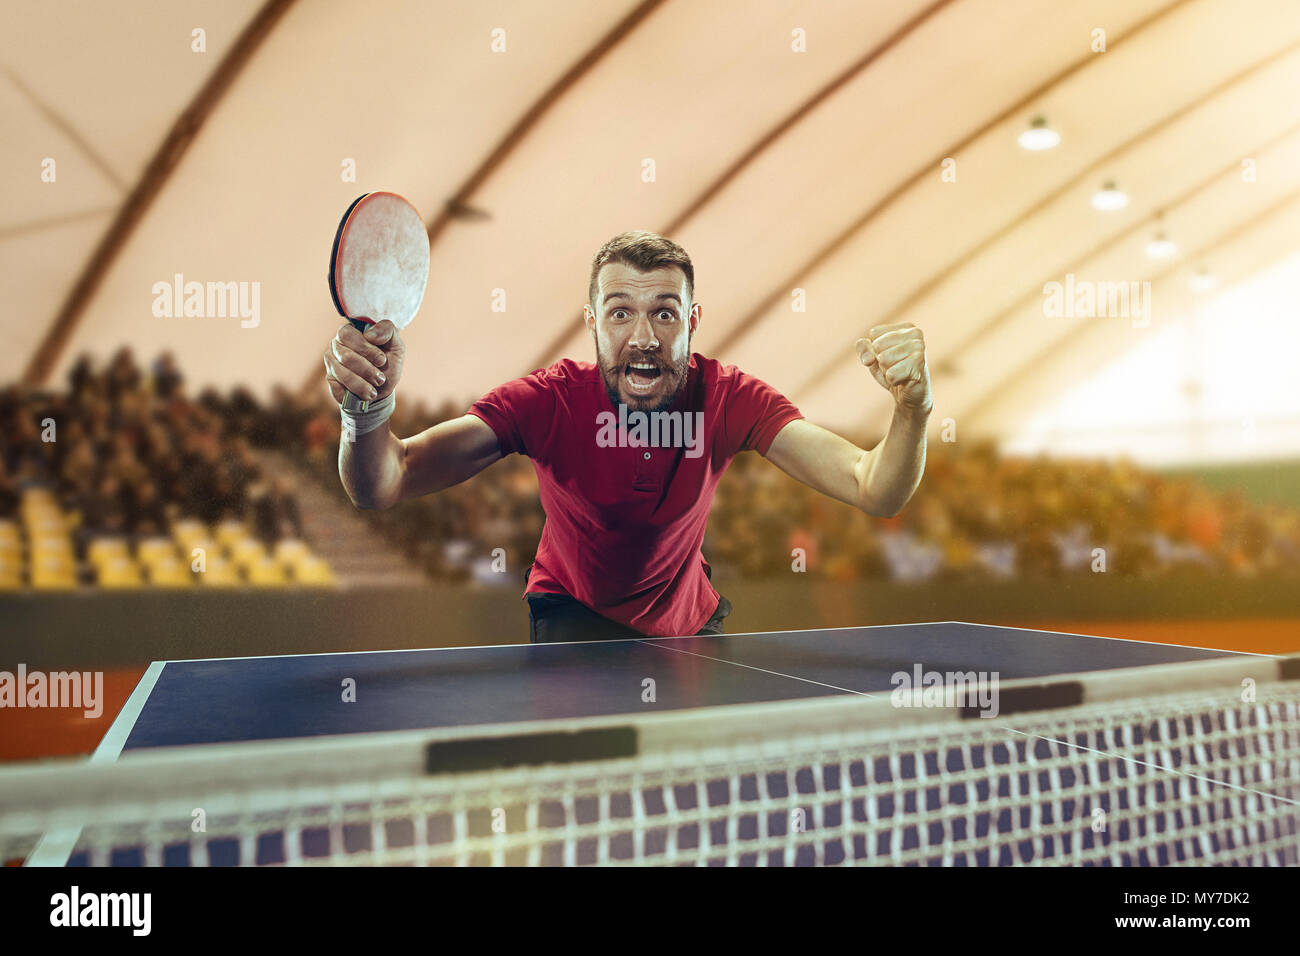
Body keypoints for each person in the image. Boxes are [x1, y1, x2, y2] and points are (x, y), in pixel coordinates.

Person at [323, 231, 932, 642]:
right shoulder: (549, 401)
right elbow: (386, 482)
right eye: (620, 312)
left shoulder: (727, 398)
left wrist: (914, 408)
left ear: (692, 322)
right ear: (592, 322)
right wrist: (369, 413)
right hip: (572, 617)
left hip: (686, 624)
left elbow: (872, 487)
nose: (643, 336)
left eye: (665, 312)